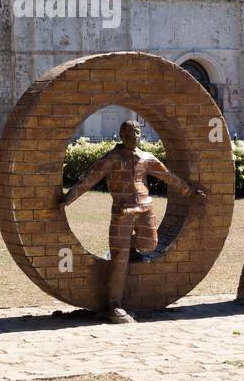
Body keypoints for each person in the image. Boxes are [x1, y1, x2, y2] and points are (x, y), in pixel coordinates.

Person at [59, 120, 206, 324]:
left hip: (146, 209)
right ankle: (114, 305)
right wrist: (68, 199)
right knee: (120, 261)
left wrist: (189, 192)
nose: (133, 136)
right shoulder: (112, 158)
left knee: (150, 244)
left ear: (140, 135)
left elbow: (168, 176)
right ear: (121, 136)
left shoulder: (146, 158)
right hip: (123, 212)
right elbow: (88, 180)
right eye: (128, 133)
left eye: (136, 133)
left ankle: (130, 248)